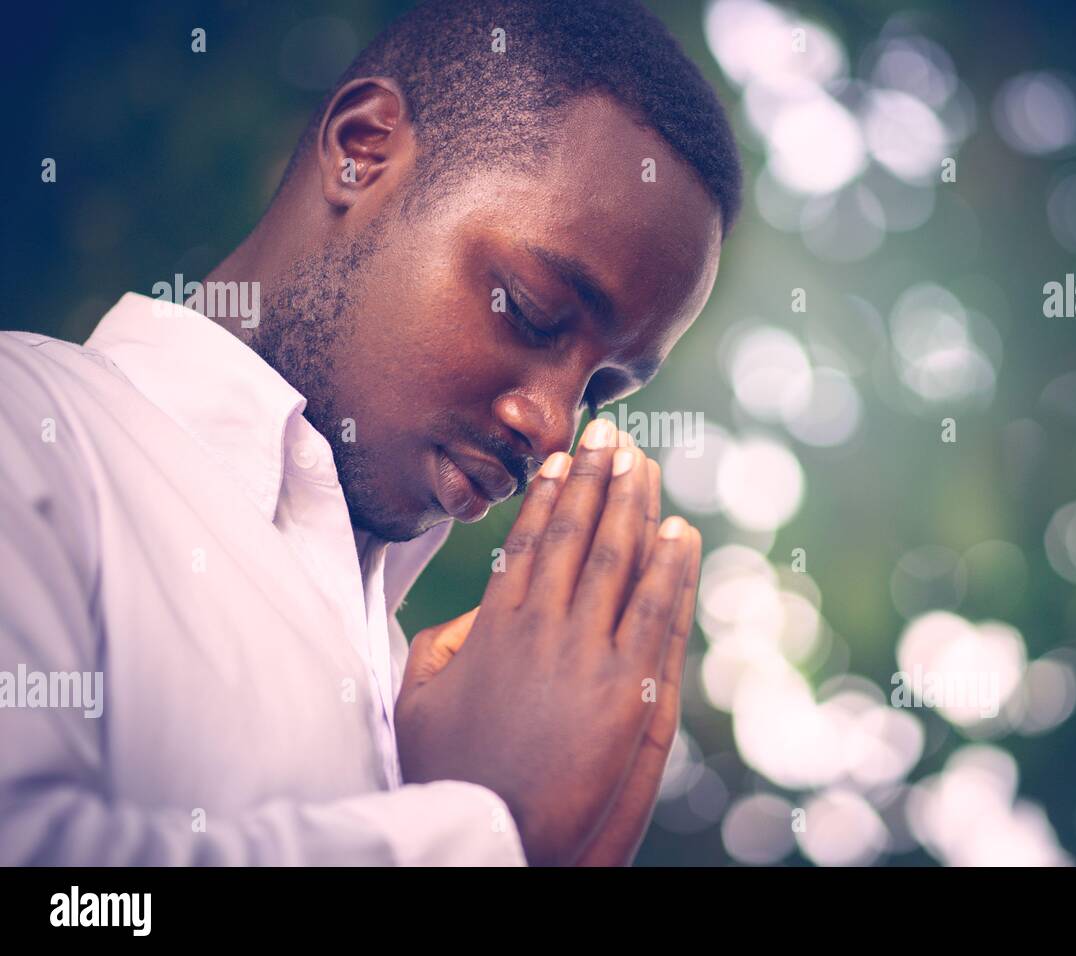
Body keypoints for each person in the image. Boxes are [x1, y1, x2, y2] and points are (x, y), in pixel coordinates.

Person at [0, 0, 741, 866]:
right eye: (534, 312)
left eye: (601, 391)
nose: (553, 430)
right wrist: (486, 828)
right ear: (362, 150)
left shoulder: (419, 701)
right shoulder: (29, 427)